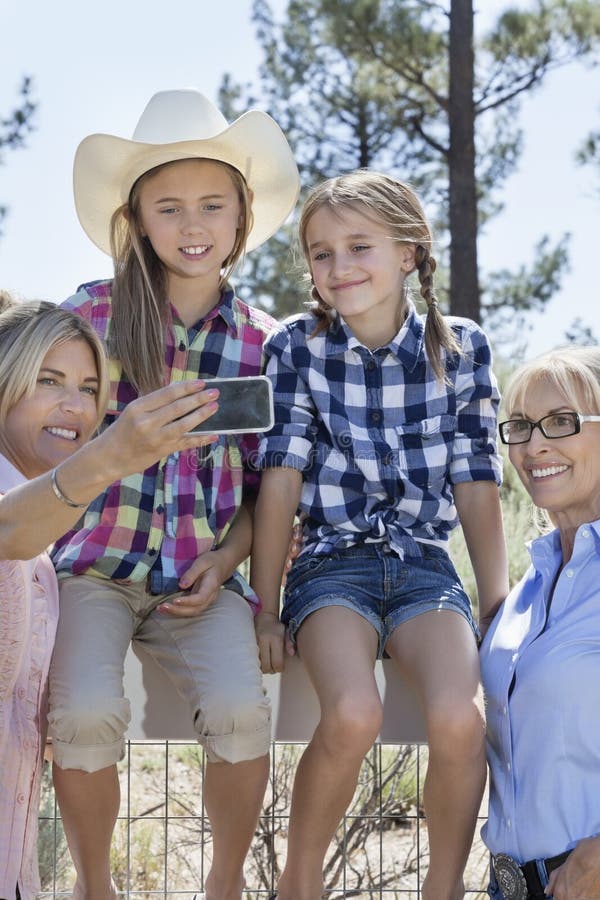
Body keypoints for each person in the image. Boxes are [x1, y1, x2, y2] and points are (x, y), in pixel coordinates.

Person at [46, 88, 299, 900]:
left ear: (240, 216)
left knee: (239, 712)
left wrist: (229, 562)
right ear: (138, 222)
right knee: (83, 715)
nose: (193, 226)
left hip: (202, 578)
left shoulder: (265, 341)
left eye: (212, 206)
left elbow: (267, 483)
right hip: (94, 568)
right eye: (169, 207)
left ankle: (222, 884)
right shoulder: (90, 317)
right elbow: (41, 435)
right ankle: (94, 885)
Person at [250, 170, 508, 900]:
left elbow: (476, 478)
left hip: (425, 567)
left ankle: (444, 887)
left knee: (460, 720)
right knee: (355, 711)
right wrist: (266, 607)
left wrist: (496, 599)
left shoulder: (460, 348)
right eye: (321, 253)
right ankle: (298, 885)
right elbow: (281, 481)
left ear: (410, 253)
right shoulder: (297, 348)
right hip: (330, 568)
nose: (340, 267)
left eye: (359, 246)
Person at [0, 297, 220, 900]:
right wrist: (109, 458)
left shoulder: (47, 527)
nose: (75, 406)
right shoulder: (24, 511)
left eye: (90, 388)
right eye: (49, 381)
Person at [480, 346, 600, 900]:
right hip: (511, 887)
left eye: (561, 423)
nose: (534, 446)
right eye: (522, 427)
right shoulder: (527, 589)